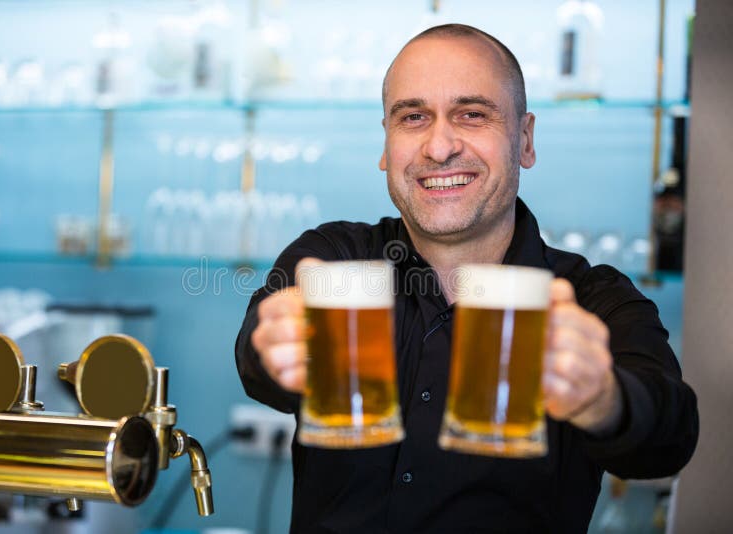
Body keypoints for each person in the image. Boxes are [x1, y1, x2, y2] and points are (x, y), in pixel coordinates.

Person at [235, 24, 698, 533]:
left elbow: (670, 437)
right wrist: (277, 348)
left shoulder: (593, 300)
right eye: (413, 117)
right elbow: (255, 359)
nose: (439, 147)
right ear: (386, 146)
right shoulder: (334, 257)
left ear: (525, 140)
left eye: (472, 114)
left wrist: (602, 398)